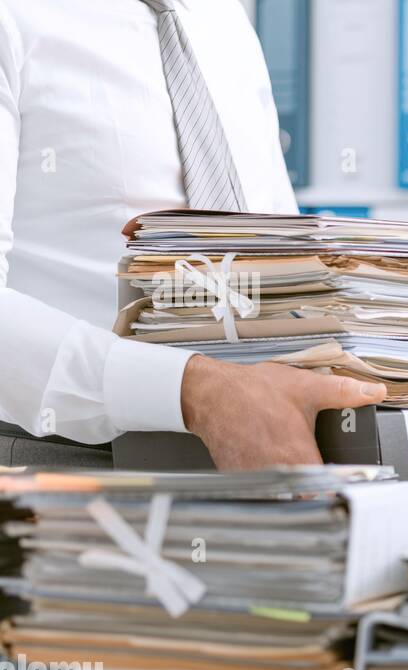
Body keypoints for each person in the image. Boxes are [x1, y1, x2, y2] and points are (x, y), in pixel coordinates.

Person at [0, 0, 385, 469]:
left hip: (268, 437)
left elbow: (285, 254)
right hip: (67, 460)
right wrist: (198, 392)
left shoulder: (222, 19)